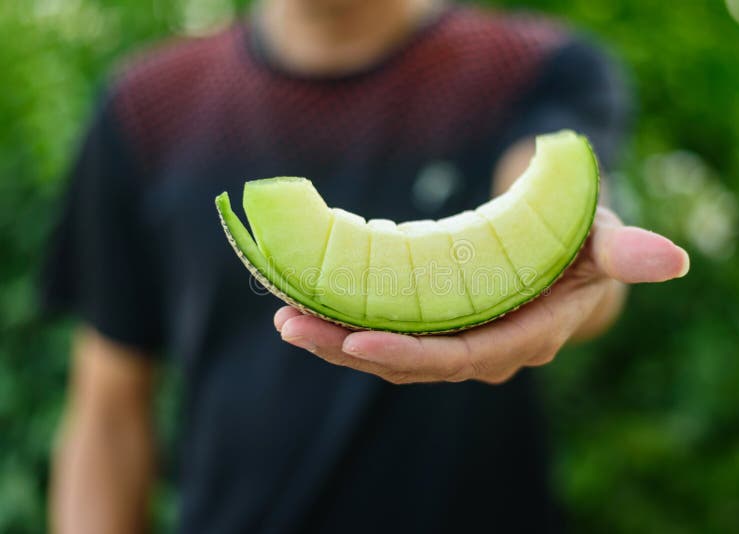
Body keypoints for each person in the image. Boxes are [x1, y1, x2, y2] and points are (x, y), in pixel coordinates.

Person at [42, 0, 689, 532]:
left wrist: (579, 263)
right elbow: (108, 410)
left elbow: (559, 211)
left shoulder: (535, 67)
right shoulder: (145, 107)